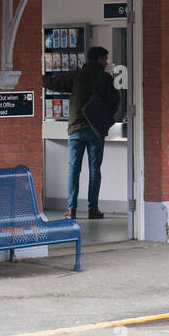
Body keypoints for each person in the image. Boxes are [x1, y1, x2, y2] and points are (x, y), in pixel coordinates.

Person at [43, 46, 118, 220]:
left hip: (76, 129)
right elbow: (115, 102)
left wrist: (36, 77)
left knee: (73, 169)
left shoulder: (76, 76)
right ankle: (93, 209)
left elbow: (54, 83)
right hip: (95, 130)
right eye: (105, 59)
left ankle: (71, 210)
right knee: (94, 170)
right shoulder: (105, 78)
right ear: (99, 60)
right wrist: (104, 119)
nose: (106, 62)